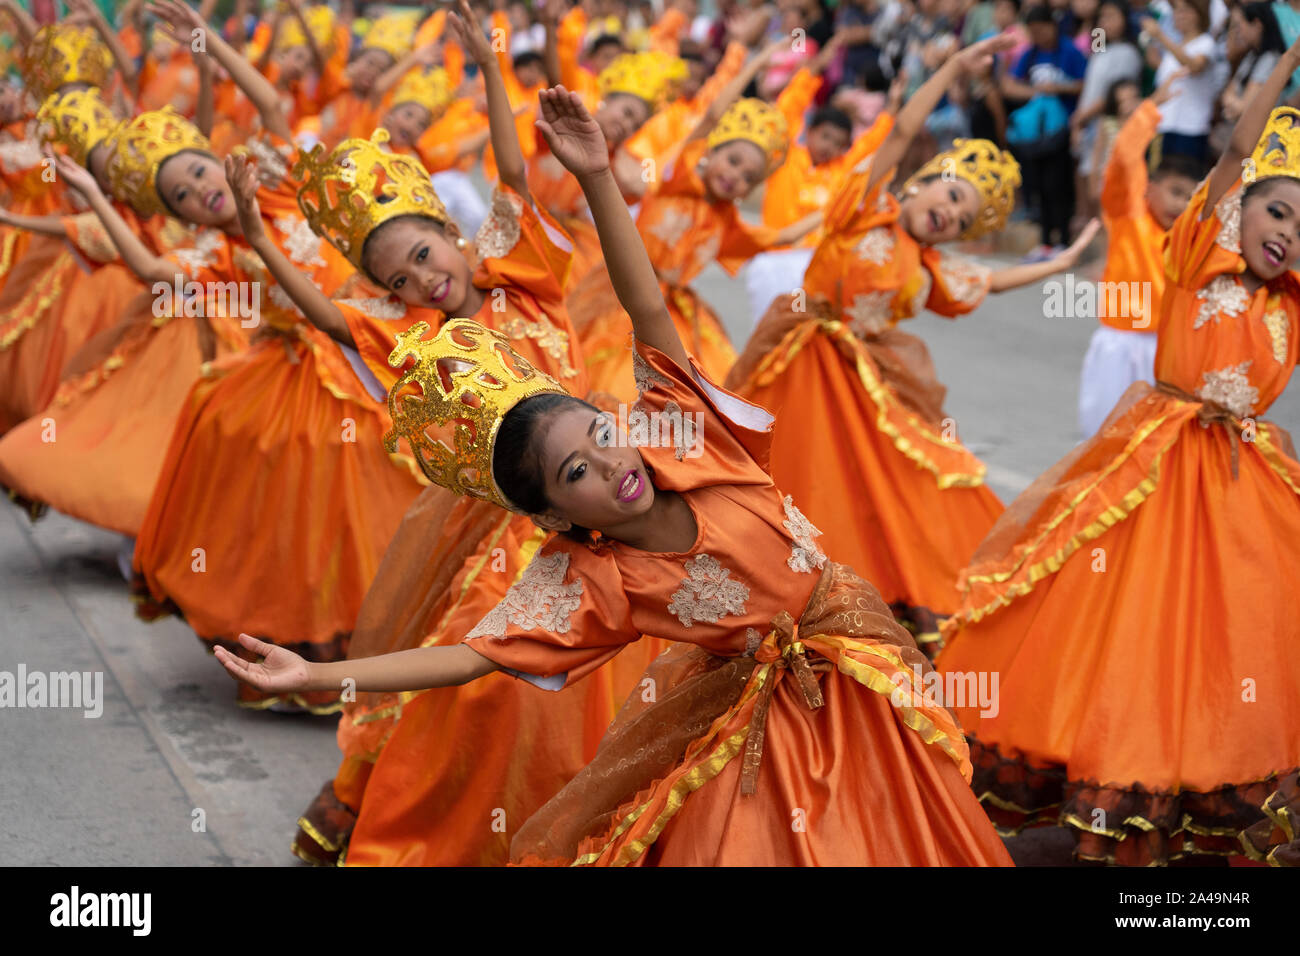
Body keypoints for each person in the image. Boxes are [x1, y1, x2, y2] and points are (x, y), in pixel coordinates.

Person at [218, 81, 1013, 868]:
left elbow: (647, 310)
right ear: (557, 516)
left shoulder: (692, 439)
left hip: (863, 665)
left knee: (905, 830)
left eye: (603, 433)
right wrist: (322, 673)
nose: (610, 463)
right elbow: (473, 656)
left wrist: (598, 177)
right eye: (577, 472)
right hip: (758, 727)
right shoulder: (602, 579)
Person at [937, 38, 1300, 866]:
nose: (1286, 234)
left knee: (1228, 637)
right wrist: (1290, 59)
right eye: (1277, 211)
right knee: (1133, 622)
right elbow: (1239, 145)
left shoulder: (1289, 306)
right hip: (1159, 468)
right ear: (1239, 205)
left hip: (1243, 482)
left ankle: (1201, 774)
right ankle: (1120, 765)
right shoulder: (1200, 255)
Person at [729, 34, 1096, 652]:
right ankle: (770, 592)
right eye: (950, 196)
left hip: (869, 378)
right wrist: (950, 66)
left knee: (891, 485)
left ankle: (877, 601)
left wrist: (1061, 263)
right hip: (804, 358)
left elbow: (993, 281)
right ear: (924, 181)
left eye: (960, 219)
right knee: (790, 473)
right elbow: (897, 135)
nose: (948, 215)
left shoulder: (926, 265)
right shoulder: (865, 209)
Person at [1078, 75, 1205, 438]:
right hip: (1119, 344)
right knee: (1103, 440)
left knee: (1157, 448)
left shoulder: (1190, 239)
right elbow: (1122, 160)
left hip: (1168, 353)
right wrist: (1149, 111)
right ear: (1149, 188)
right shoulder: (1128, 215)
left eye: (1189, 198)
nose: (1180, 205)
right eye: (1175, 192)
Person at [1002, 4, 1087, 259]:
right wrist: (1037, 92)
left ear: (1052, 26)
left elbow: (1085, 83)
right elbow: (1009, 85)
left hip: (1062, 129)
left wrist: (1058, 88)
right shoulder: (1029, 55)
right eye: (1033, 31)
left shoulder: (1070, 51)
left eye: (1042, 29)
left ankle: (1062, 239)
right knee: (1038, 185)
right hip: (1036, 133)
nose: (1038, 35)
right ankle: (1045, 241)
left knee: (1058, 185)